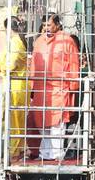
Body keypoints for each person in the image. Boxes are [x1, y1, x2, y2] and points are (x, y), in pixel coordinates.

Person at [28, 13, 80, 161]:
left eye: (49, 25)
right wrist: (32, 86)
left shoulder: (67, 41)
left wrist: (73, 86)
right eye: (44, 25)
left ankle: (56, 154)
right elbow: (33, 65)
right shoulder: (39, 41)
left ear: (57, 25)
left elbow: (73, 64)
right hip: (40, 89)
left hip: (59, 88)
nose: (46, 28)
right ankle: (44, 153)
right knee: (41, 121)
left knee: (57, 123)